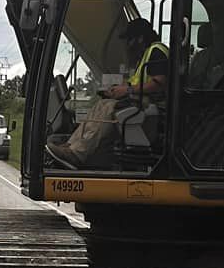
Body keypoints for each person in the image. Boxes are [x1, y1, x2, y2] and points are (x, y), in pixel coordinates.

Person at [48, 17, 168, 167]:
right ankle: (71, 147)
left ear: (140, 39)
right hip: (142, 100)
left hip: (153, 104)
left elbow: (159, 83)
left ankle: (78, 153)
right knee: (101, 104)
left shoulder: (157, 51)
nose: (128, 44)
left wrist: (127, 90)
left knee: (108, 108)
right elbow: (140, 82)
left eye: (130, 40)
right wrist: (117, 90)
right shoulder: (146, 54)